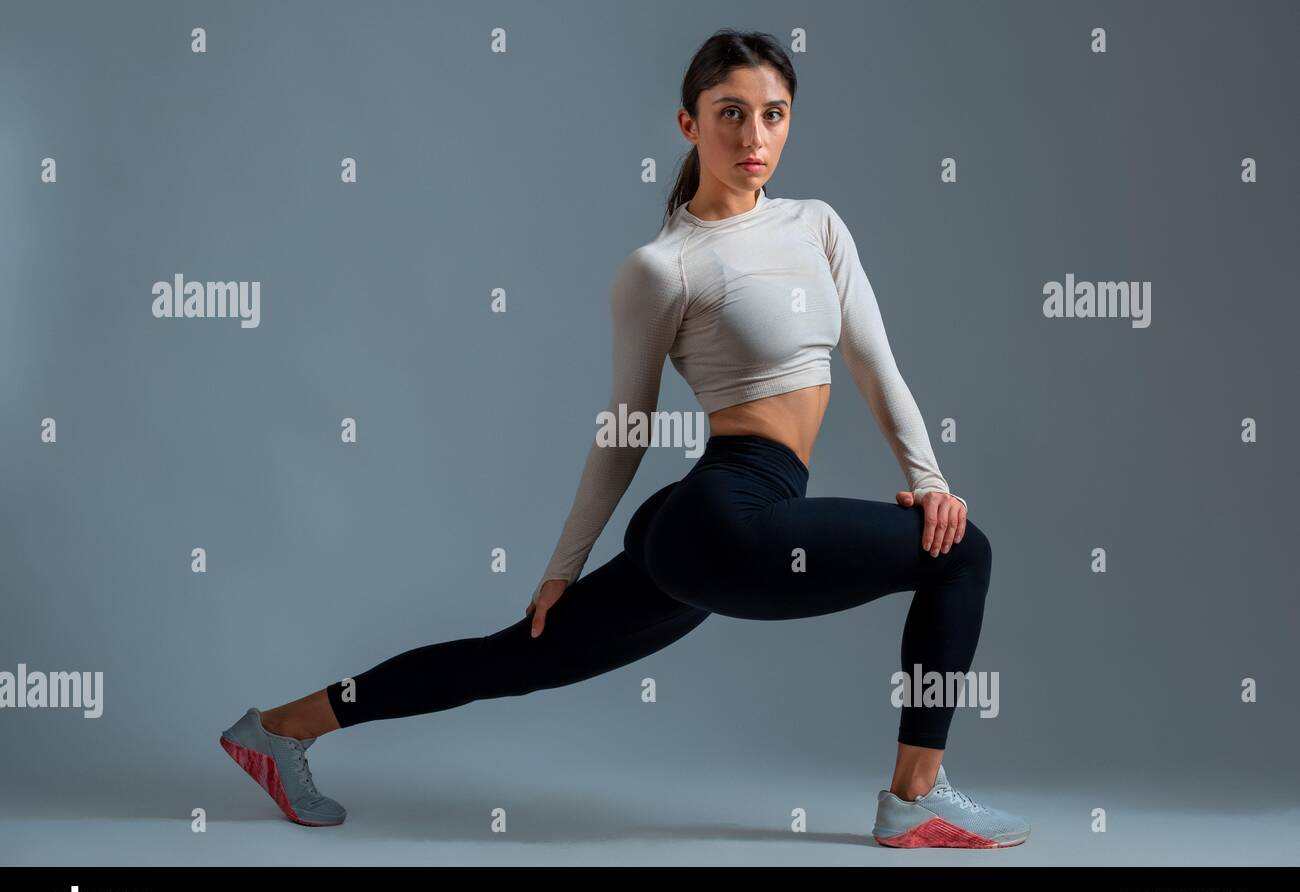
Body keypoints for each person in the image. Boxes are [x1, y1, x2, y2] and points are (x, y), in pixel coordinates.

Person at [220, 29, 1029, 849]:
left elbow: (874, 363)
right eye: (731, 113)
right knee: (961, 556)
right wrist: (561, 568)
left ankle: (280, 730)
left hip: (716, 519)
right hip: (723, 519)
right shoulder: (665, 266)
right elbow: (626, 427)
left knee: (515, 660)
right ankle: (914, 798)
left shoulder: (816, 226)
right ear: (689, 124)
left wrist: (931, 483)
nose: (754, 137)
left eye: (774, 114)